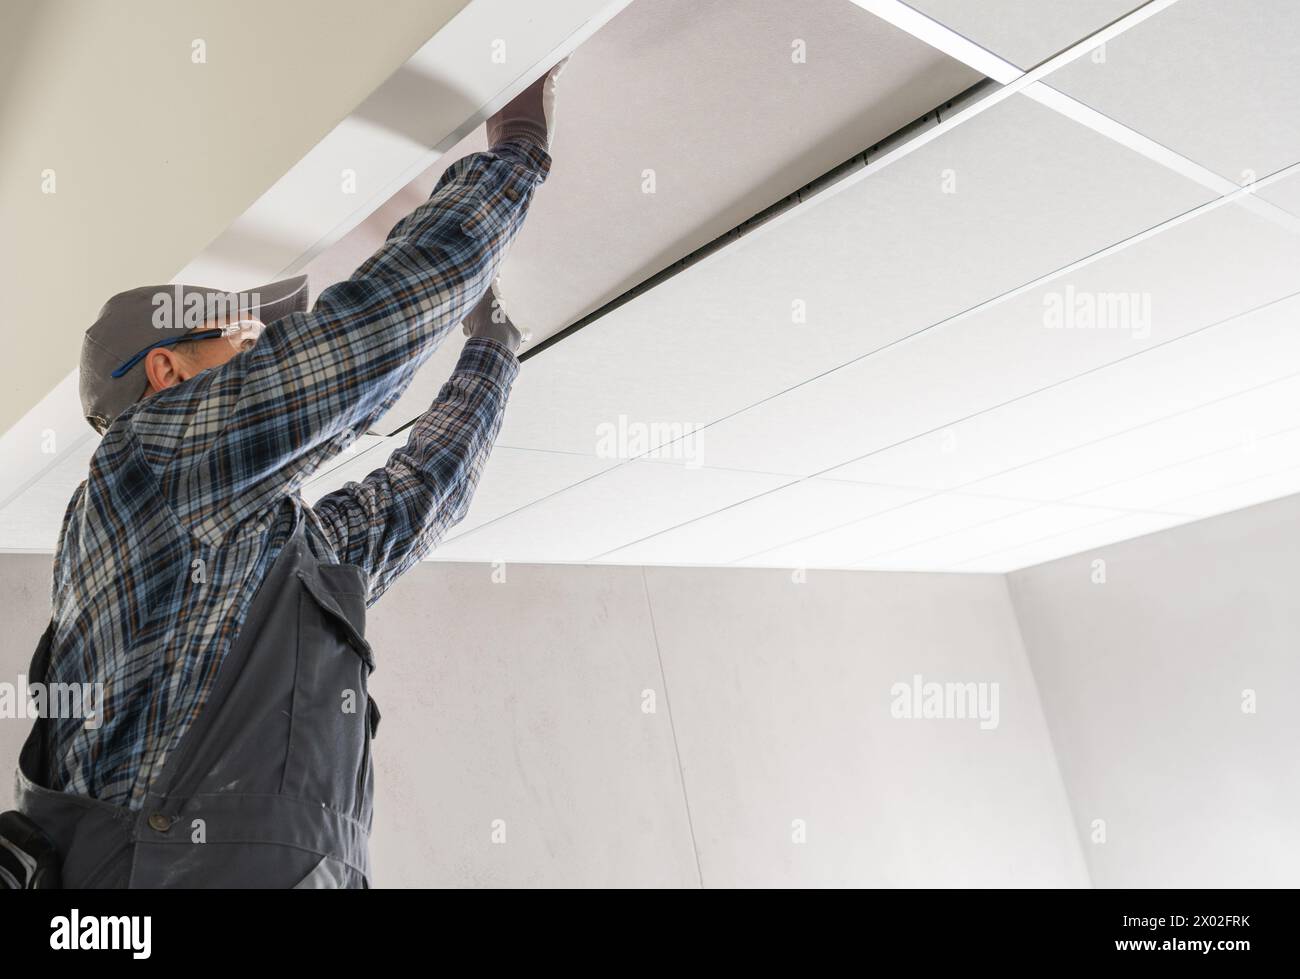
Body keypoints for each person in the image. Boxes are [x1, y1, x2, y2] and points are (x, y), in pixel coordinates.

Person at [3, 62, 566, 889]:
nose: (263, 353)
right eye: (238, 345)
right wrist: (516, 154)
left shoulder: (246, 543)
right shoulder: (154, 456)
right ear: (166, 372)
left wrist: (490, 348)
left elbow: (414, 500)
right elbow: (362, 344)